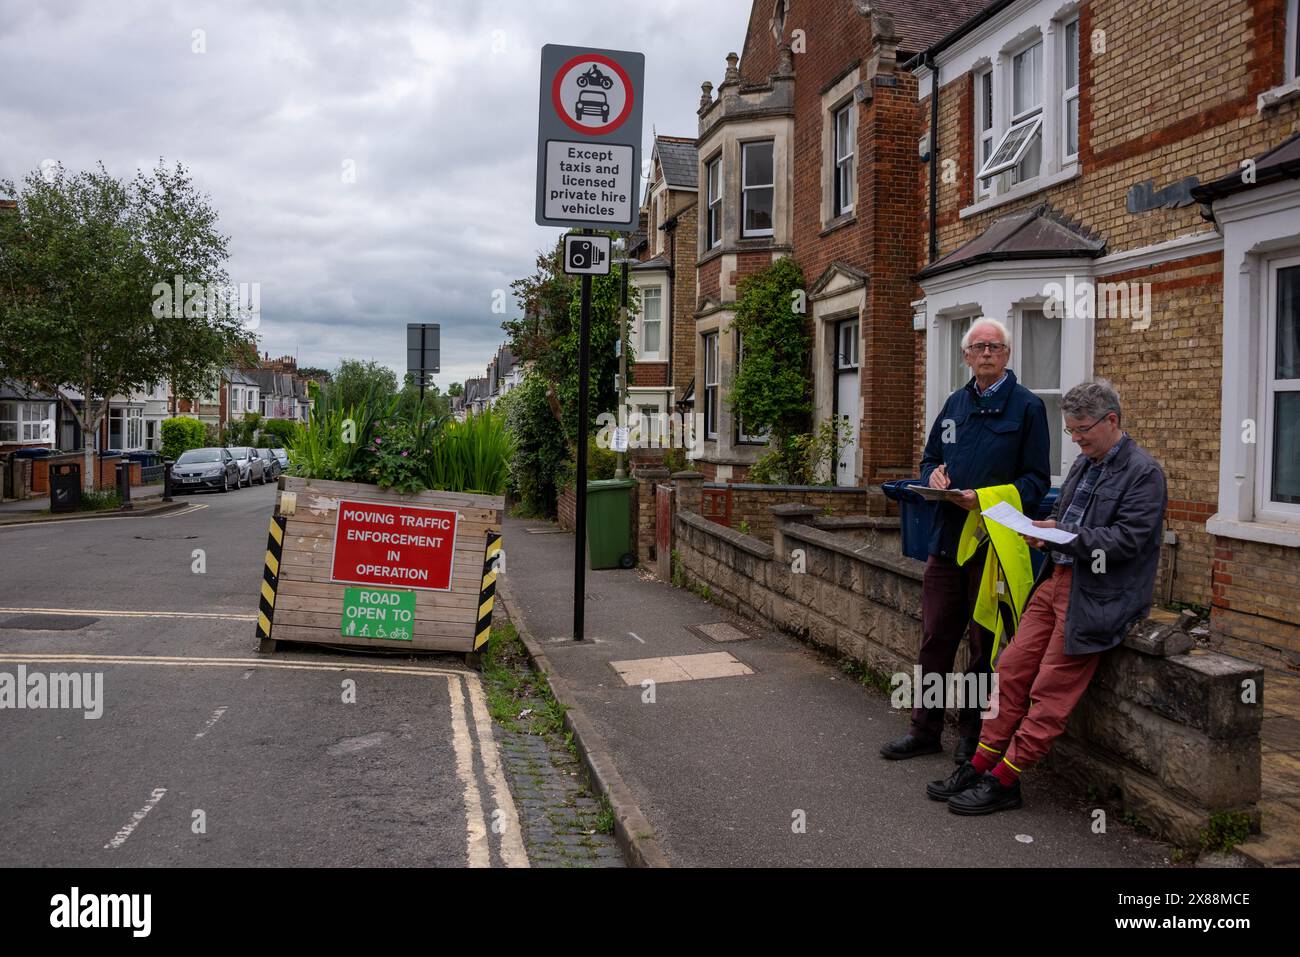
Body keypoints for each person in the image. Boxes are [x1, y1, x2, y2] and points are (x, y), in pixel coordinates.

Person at [927, 378, 1167, 814]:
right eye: (1071, 432)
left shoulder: (1143, 473)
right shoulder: (1085, 463)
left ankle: (1006, 780)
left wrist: (1064, 535)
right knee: (1010, 669)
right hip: (1054, 579)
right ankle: (981, 764)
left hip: (1096, 594)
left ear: (1111, 421)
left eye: (1082, 432)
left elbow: (1128, 541)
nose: (1075, 440)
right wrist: (1044, 528)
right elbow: (1064, 514)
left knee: (1049, 688)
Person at [881, 318, 1050, 764]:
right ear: (966, 357)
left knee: (983, 644)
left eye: (995, 346)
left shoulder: (1028, 408)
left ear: (1007, 354)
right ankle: (924, 729)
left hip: (992, 546)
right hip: (946, 540)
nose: (987, 353)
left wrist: (984, 499)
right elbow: (930, 458)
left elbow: (1036, 482)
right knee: (935, 637)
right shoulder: (954, 405)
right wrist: (931, 475)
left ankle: (972, 736)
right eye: (978, 347)